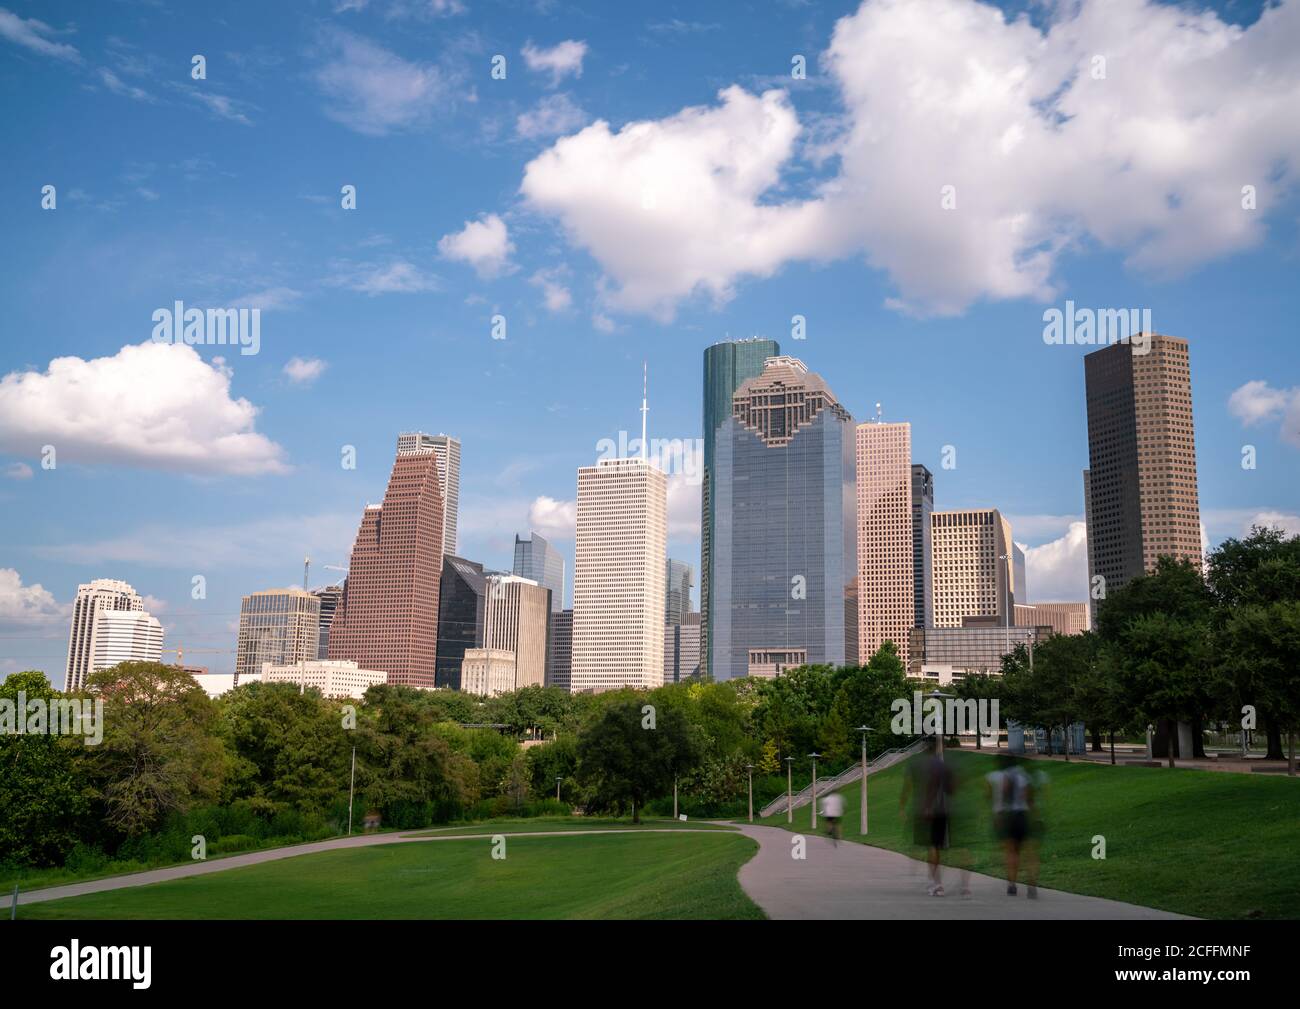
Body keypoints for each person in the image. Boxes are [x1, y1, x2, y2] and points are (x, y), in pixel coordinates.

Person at [986, 754, 1033, 896]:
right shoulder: (1023, 775)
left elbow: (997, 796)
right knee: (1025, 851)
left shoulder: (999, 776)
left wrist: (999, 815)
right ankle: (1031, 883)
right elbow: (1027, 796)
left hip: (1009, 816)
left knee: (1010, 851)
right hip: (1022, 815)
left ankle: (1012, 884)